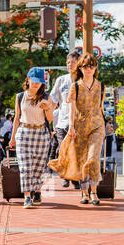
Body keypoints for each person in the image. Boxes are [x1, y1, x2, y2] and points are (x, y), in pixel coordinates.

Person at [65, 55, 107, 205]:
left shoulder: (101, 86)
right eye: (85, 66)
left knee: (93, 158)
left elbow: (101, 108)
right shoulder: (75, 86)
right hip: (80, 126)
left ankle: (94, 192)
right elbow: (72, 109)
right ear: (80, 68)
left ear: (95, 68)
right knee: (82, 160)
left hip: (97, 126)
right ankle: (84, 193)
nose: (88, 69)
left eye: (91, 66)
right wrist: (71, 126)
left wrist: (107, 125)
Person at [14, 68, 56, 209]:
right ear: (28, 79)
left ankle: (37, 191)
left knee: (38, 168)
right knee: (26, 167)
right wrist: (13, 137)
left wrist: (47, 109)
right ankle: (27, 197)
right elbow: (16, 118)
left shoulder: (46, 97)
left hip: (41, 134)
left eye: (40, 82)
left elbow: (49, 119)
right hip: (24, 133)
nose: (37, 84)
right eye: (34, 81)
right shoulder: (20, 96)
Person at [49, 49, 83, 188]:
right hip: (62, 122)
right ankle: (64, 175)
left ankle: (73, 178)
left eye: (73, 62)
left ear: (79, 64)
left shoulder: (82, 81)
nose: (70, 65)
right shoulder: (61, 80)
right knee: (62, 149)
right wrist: (49, 121)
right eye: (68, 62)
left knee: (74, 150)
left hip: (78, 122)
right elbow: (53, 100)